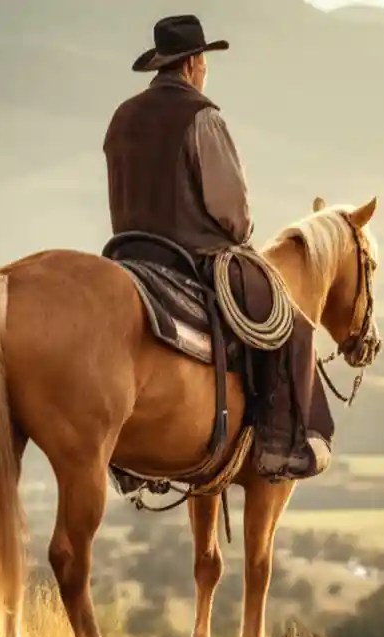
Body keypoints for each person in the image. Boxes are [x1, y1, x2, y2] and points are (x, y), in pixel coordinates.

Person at [103, 14, 333, 481]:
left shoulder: (122, 115)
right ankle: (279, 444)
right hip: (194, 257)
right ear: (191, 64)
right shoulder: (201, 115)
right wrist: (240, 234)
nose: (205, 68)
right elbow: (233, 211)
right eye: (204, 59)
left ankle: (131, 464)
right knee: (289, 321)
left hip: (128, 256)